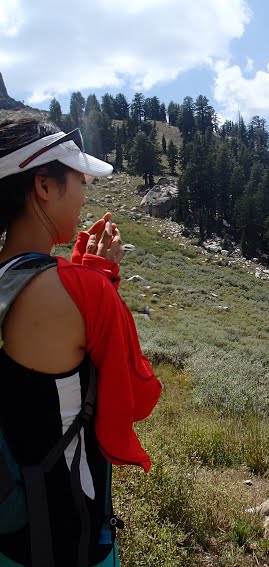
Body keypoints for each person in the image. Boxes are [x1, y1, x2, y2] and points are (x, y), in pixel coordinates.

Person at [0, 114, 163, 566]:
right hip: (66, 539)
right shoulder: (81, 291)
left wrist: (86, 281)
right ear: (44, 187)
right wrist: (100, 284)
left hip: (8, 532)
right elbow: (138, 398)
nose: (85, 193)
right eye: (79, 180)